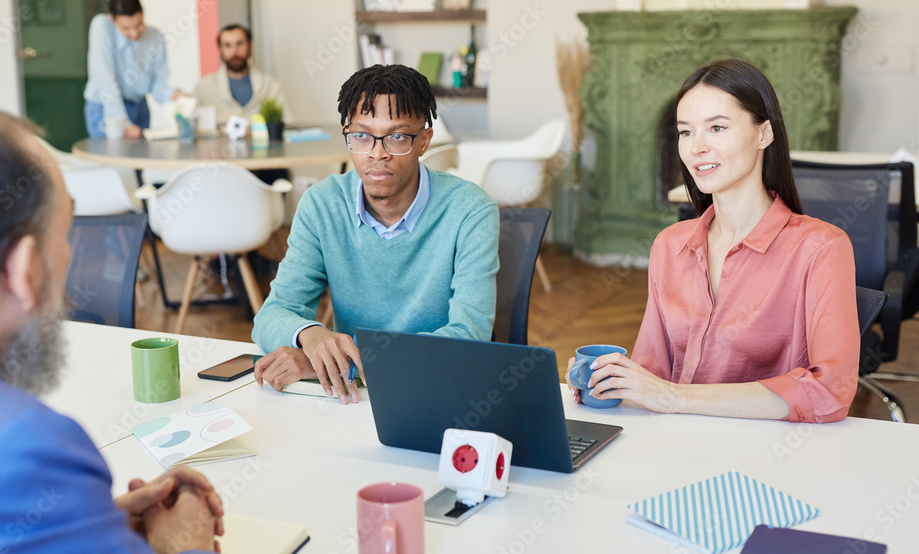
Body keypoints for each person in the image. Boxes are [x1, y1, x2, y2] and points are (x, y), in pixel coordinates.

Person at [0, 107, 222, 552]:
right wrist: (186, 543)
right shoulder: (22, 449)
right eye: (63, 236)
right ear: (23, 271)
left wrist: (82, 523)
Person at [567, 59, 859, 423]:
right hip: (675, 443)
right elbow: (651, 369)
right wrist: (613, 382)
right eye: (685, 132)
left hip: (769, 458)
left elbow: (830, 391)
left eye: (717, 128)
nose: (696, 147)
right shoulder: (669, 246)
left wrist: (674, 397)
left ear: (764, 134)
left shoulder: (820, 248)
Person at [251, 64, 500, 404]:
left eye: (397, 137)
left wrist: (345, 366)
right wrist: (310, 335)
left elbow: (468, 337)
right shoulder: (321, 204)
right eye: (362, 136)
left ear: (423, 141)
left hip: (438, 392)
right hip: (350, 401)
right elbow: (271, 315)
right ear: (348, 135)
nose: (377, 153)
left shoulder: (470, 210)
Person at [84, 0, 185, 139]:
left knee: (140, 159)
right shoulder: (101, 26)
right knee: (111, 160)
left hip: (139, 107)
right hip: (105, 108)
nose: (134, 33)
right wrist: (121, 120)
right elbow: (105, 79)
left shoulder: (155, 37)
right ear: (112, 19)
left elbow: (157, 84)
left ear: (142, 13)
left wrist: (172, 95)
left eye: (138, 25)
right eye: (125, 28)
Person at [192, 24, 288, 124]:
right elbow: (190, 122)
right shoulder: (203, 86)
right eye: (227, 45)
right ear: (221, 49)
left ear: (250, 45)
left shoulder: (271, 85)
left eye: (239, 43)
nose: (234, 51)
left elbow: (287, 122)